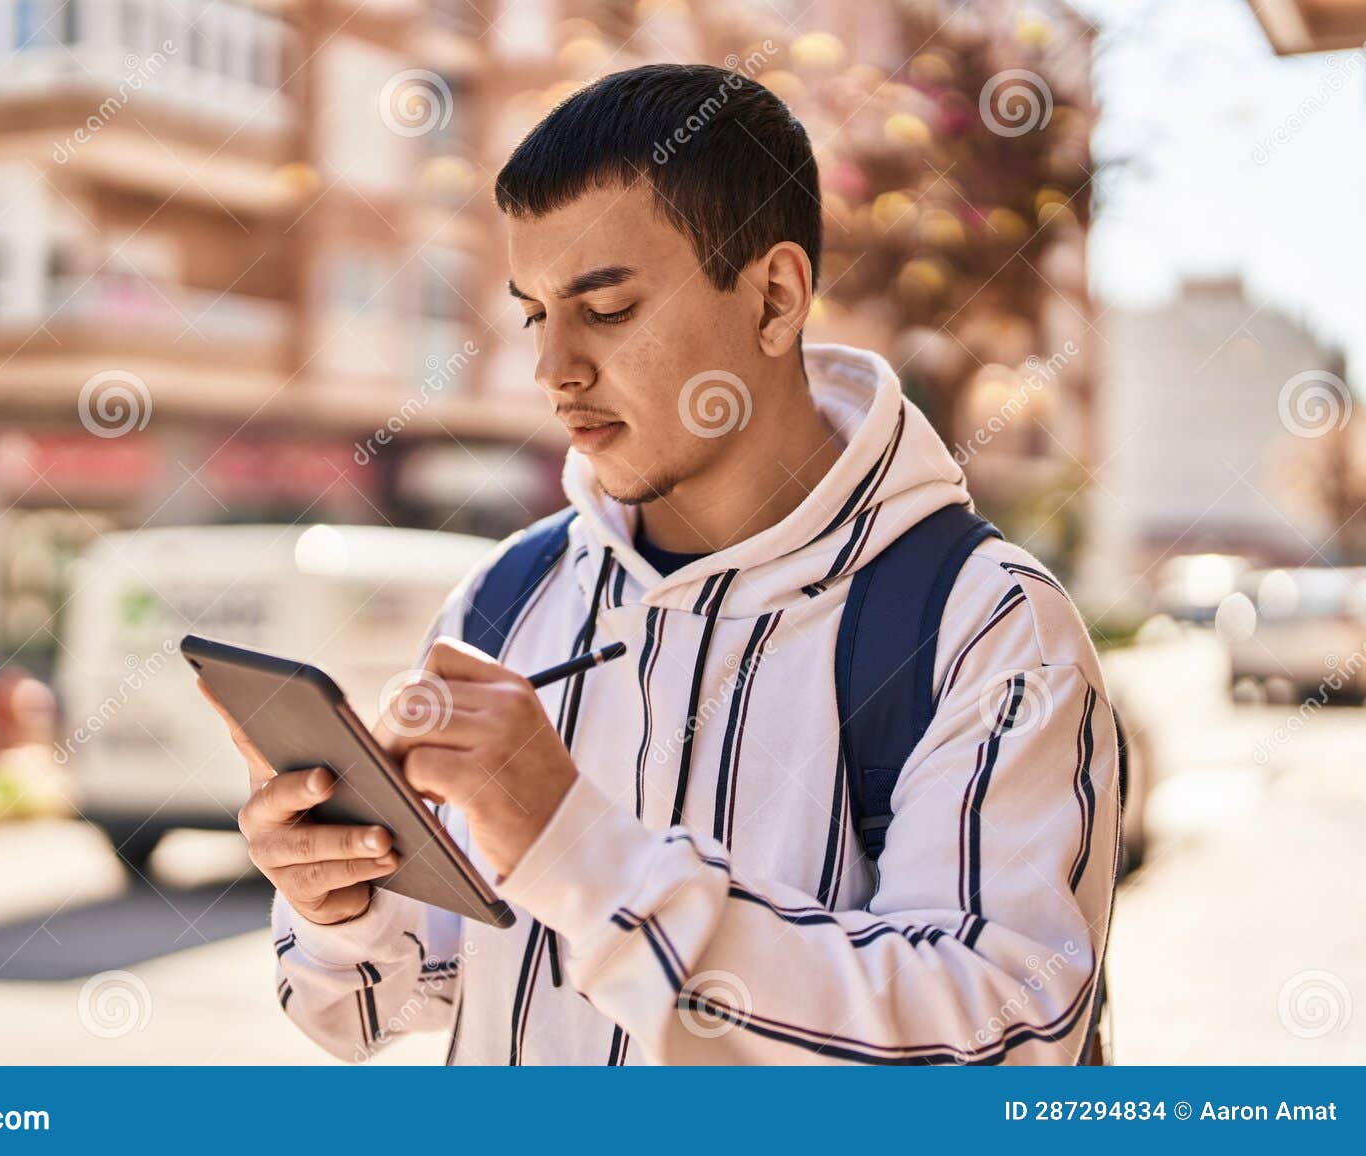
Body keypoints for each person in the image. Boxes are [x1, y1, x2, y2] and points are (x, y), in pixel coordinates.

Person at [206, 63, 1121, 1065]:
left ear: (774, 298)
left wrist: (577, 847)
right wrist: (337, 899)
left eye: (605, 310)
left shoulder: (986, 630)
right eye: (531, 313)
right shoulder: (507, 599)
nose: (553, 369)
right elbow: (389, 999)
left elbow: (1000, 1046)